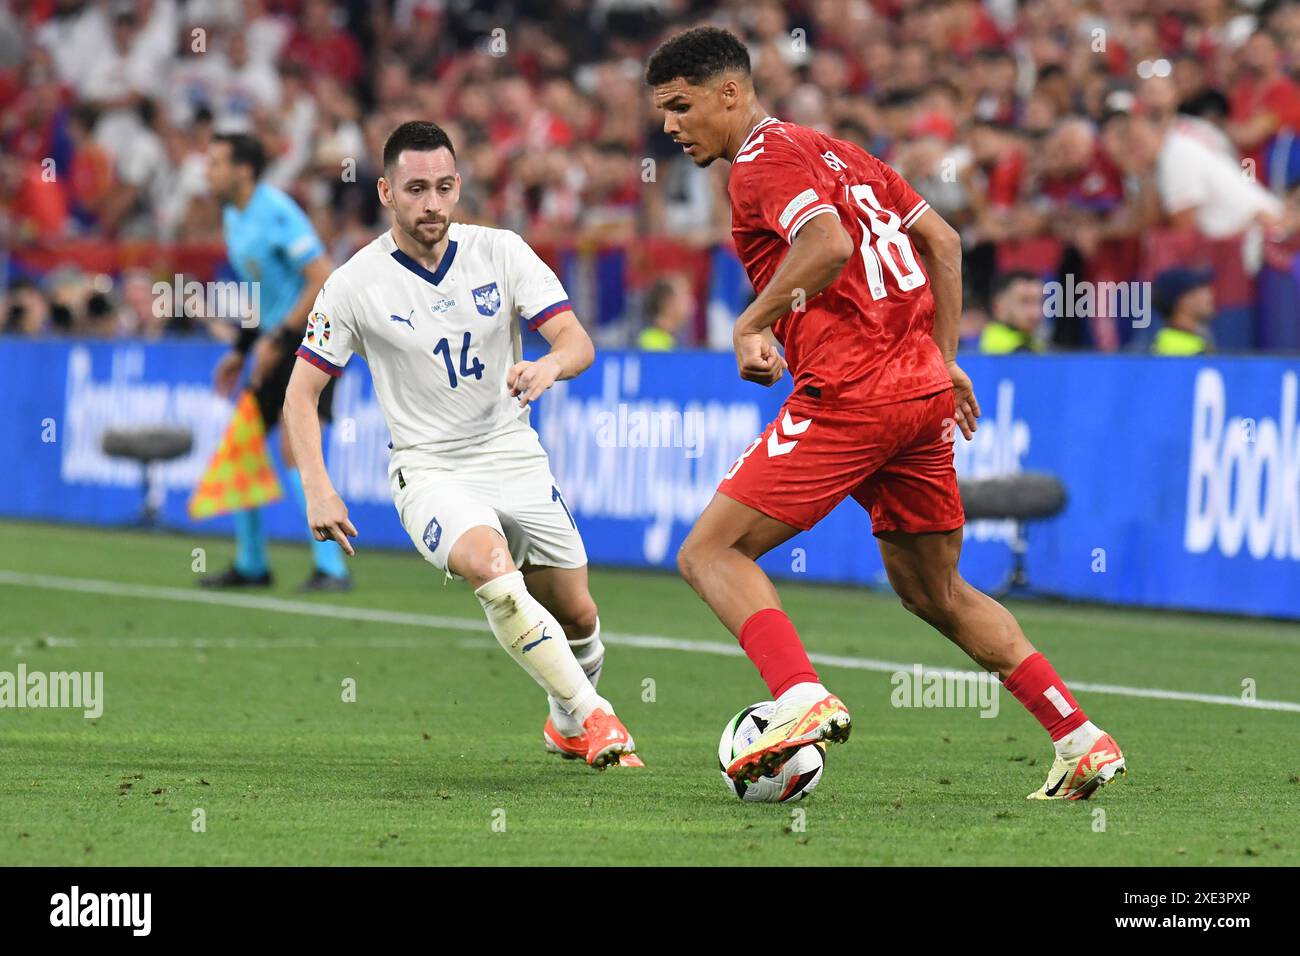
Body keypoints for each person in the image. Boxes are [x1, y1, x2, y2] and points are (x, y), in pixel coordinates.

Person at [647, 26, 1125, 799]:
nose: (669, 126)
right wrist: (944, 357)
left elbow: (828, 245)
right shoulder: (845, 154)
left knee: (711, 552)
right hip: (918, 396)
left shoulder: (762, 164)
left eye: (680, 105)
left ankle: (799, 696)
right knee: (934, 592)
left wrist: (752, 320)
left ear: (730, 93)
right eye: (661, 112)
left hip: (854, 391)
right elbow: (943, 239)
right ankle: (1079, 737)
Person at [281, 121, 640, 769]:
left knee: (579, 614)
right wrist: (317, 484)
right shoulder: (354, 284)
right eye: (416, 189)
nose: (433, 204)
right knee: (492, 568)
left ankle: (566, 717)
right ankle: (595, 717)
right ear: (387, 191)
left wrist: (549, 368)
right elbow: (301, 392)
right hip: (429, 469)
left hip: (513, 455)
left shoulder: (501, 252)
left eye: (444, 187)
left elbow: (576, 342)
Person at [203, 132, 350, 591]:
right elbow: (258, 289)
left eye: (217, 164)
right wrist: (242, 349)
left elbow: (322, 276)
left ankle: (332, 569)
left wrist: (281, 337)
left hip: (311, 339)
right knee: (243, 445)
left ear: (244, 170)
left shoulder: (277, 211)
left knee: (294, 447)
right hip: (274, 343)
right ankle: (252, 565)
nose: (209, 172)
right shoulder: (233, 215)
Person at [1151, 267, 1215, 355]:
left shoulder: (1192, 340)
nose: (1209, 295)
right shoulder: (1175, 348)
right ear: (1182, 300)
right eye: (1199, 290)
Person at [979, 270, 1045, 353]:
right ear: (999, 306)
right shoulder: (1000, 347)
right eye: (1025, 301)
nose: (1036, 312)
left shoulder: (1034, 342)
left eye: (1039, 301)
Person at [637, 273, 693, 350]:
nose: (691, 301)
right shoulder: (650, 343)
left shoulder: (676, 339)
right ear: (668, 302)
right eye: (684, 295)